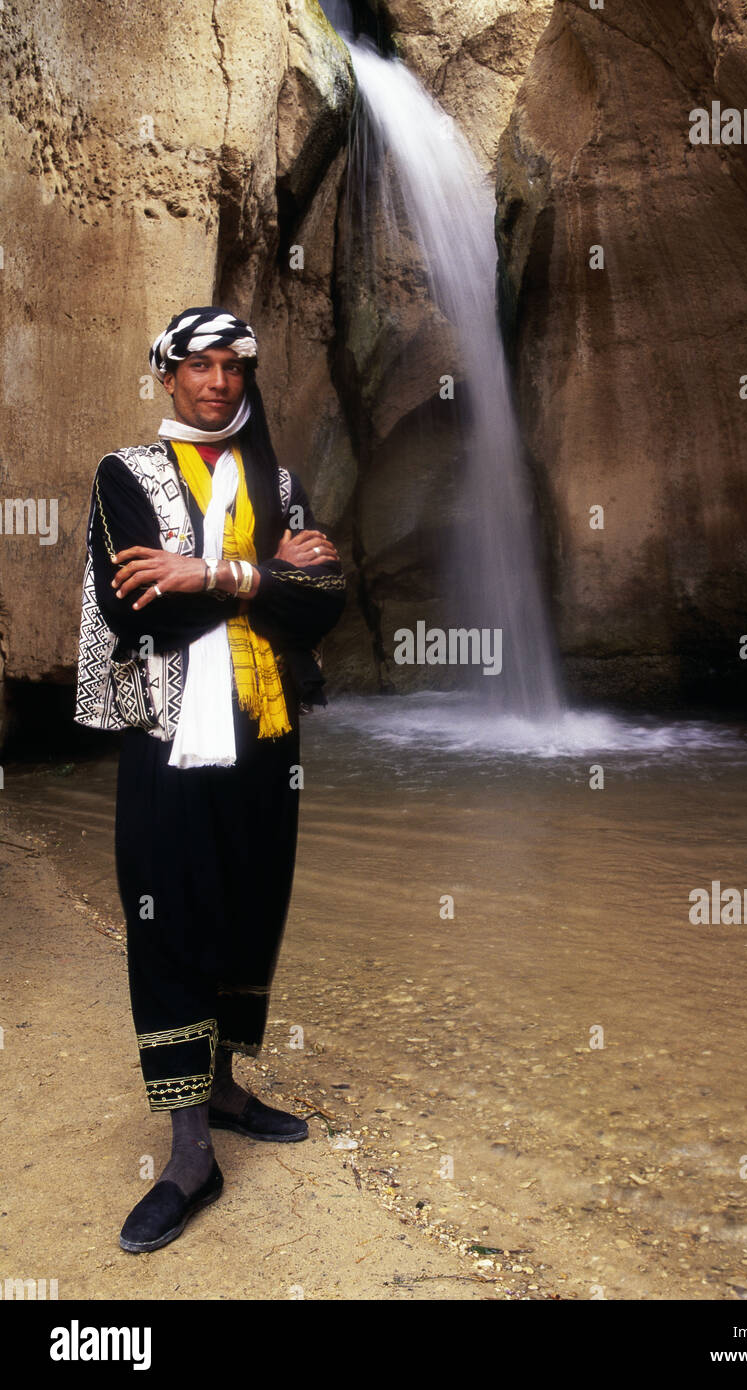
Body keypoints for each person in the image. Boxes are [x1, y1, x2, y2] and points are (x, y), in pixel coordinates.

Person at [74, 306, 346, 1252]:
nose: (219, 382)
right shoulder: (127, 475)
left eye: (234, 366)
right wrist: (261, 574)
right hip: (171, 737)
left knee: (248, 907)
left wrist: (215, 574)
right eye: (200, 366)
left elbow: (324, 602)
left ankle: (226, 1088)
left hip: (267, 736)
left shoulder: (279, 480)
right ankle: (188, 1150)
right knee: (173, 913)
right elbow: (138, 601)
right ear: (168, 377)